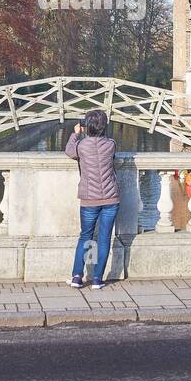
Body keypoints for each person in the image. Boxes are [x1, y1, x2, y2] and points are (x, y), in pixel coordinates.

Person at [64, 109, 119, 290]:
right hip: (110, 198)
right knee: (104, 239)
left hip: (89, 199)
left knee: (86, 236)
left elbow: (69, 151)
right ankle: (97, 279)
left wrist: (75, 134)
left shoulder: (81, 146)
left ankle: (77, 277)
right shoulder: (111, 144)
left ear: (87, 126)